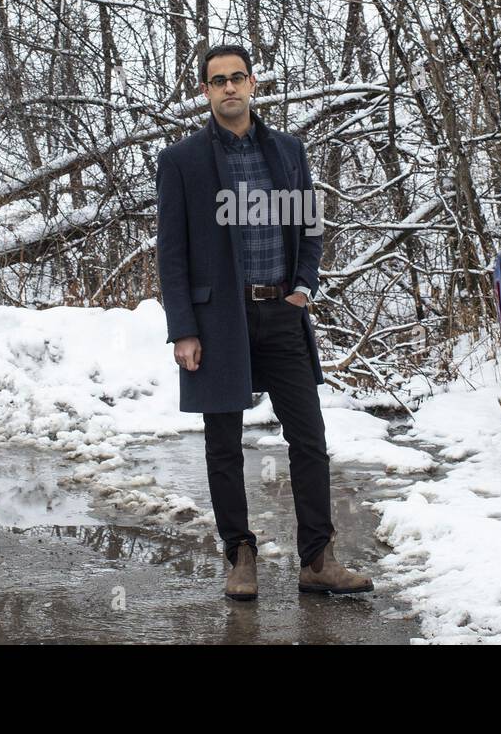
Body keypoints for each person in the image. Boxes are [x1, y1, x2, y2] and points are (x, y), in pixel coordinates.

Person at [154, 43, 374, 600]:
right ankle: (240, 555)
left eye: (238, 78)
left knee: (309, 437)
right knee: (223, 441)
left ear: (252, 85)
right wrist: (183, 328)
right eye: (217, 80)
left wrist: (303, 286)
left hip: (281, 313)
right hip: (217, 320)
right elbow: (171, 253)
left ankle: (318, 559)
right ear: (205, 92)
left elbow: (310, 227)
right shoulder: (182, 161)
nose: (229, 87)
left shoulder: (287, 151)